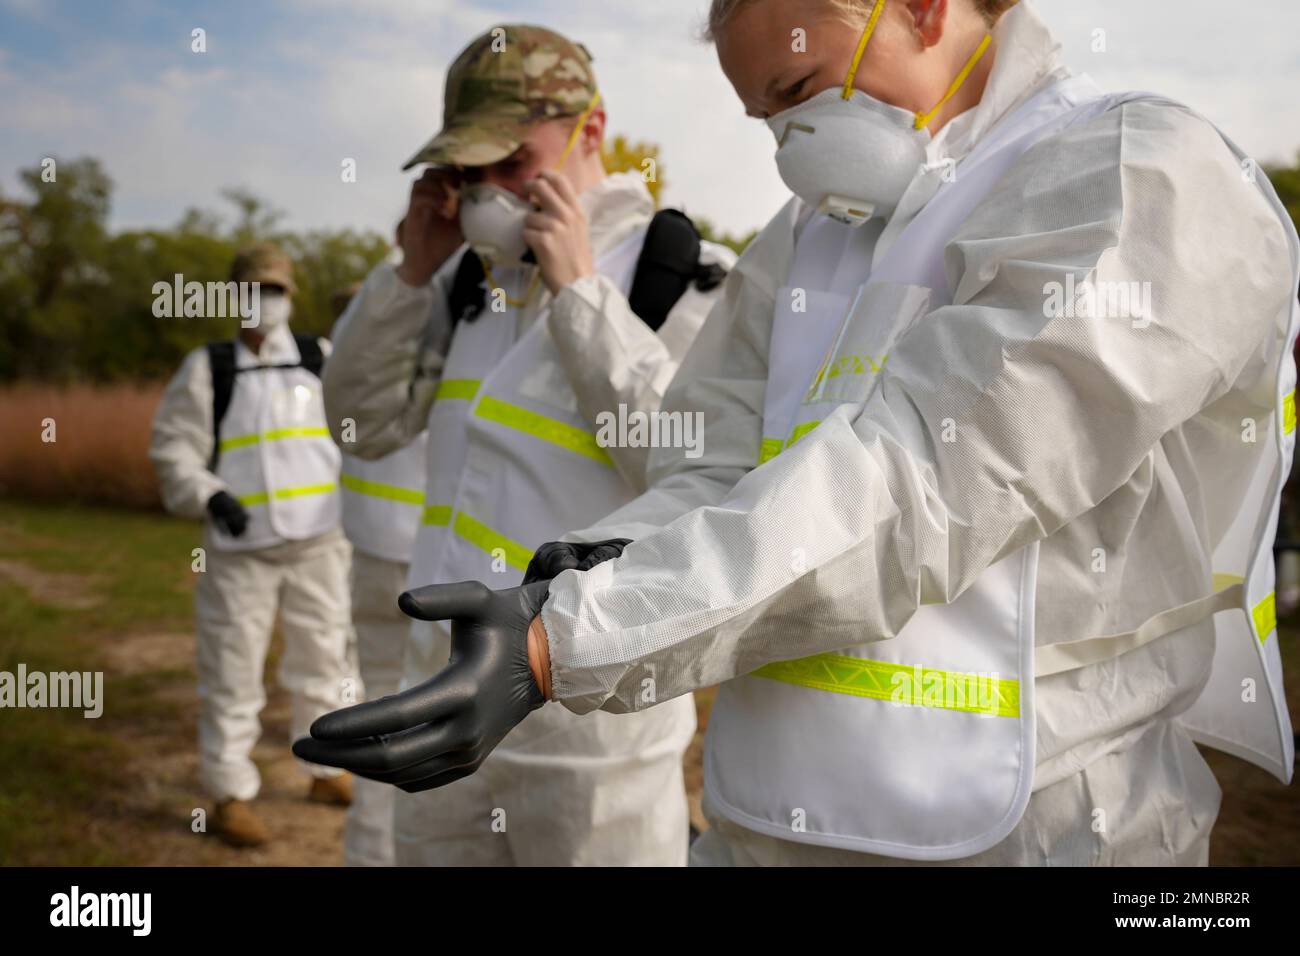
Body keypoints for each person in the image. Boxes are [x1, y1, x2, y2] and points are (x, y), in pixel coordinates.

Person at [300, 0, 1298, 866]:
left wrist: (565, 642)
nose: (785, 139)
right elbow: (712, 468)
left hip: (1041, 820)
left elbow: (924, 485)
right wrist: (570, 580)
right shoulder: (809, 234)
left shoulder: (1132, 173)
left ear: (918, 6)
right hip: (767, 812)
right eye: (763, 115)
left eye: (798, 87)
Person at [320, 23, 736, 865]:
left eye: (509, 166)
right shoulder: (465, 284)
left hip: (590, 720)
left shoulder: (683, 277)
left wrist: (582, 294)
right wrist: (410, 270)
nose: (485, 195)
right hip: (440, 691)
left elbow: (691, 469)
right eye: (467, 175)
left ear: (591, 131)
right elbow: (360, 421)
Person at [151, 242, 355, 849]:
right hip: (240, 552)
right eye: (254, 289)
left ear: (291, 296)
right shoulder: (208, 368)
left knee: (325, 659)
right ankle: (229, 793)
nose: (265, 301)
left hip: (321, 541)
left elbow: (360, 433)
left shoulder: (322, 358)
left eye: (276, 289)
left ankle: (325, 767)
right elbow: (172, 449)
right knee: (232, 668)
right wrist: (209, 494)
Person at [331, 279, 430, 867]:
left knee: (382, 717)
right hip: (428, 561)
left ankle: (370, 853)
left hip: (379, 548)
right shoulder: (461, 317)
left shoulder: (360, 333)